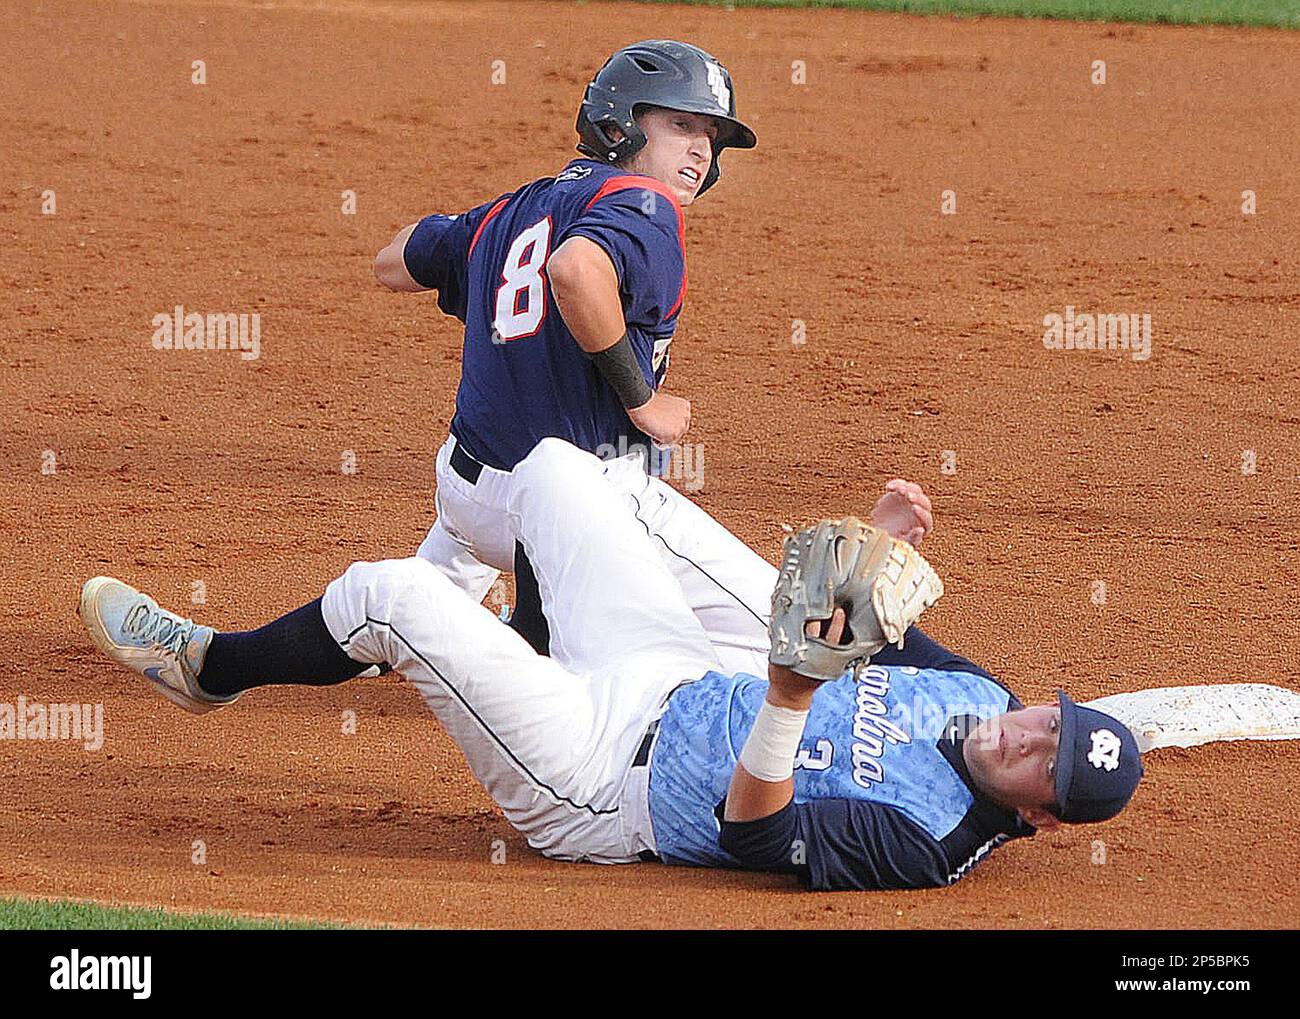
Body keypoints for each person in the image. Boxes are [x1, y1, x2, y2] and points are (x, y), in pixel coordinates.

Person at [77, 439, 1143, 891]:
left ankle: (208, 666)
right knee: (561, 471)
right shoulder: (983, 698)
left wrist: (786, 691)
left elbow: (755, 832)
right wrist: (880, 536)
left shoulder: (926, 837)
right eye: (1052, 718)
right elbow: (883, 627)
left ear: (1038, 817)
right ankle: (518, 647)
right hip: (671, 670)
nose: (1025, 732)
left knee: (389, 594)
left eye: (1041, 760)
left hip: (597, 779)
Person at [371, 39, 756, 652]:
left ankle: (255, 654)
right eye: (680, 125)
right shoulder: (646, 205)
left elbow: (393, 263)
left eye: (709, 134)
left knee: (395, 619)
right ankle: (529, 641)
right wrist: (642, 402)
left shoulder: (515, 207)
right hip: (561, 514)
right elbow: (576, 269)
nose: (700, 149)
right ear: (620, 125)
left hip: (468, 499)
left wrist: (481, 240)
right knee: (761, 638)